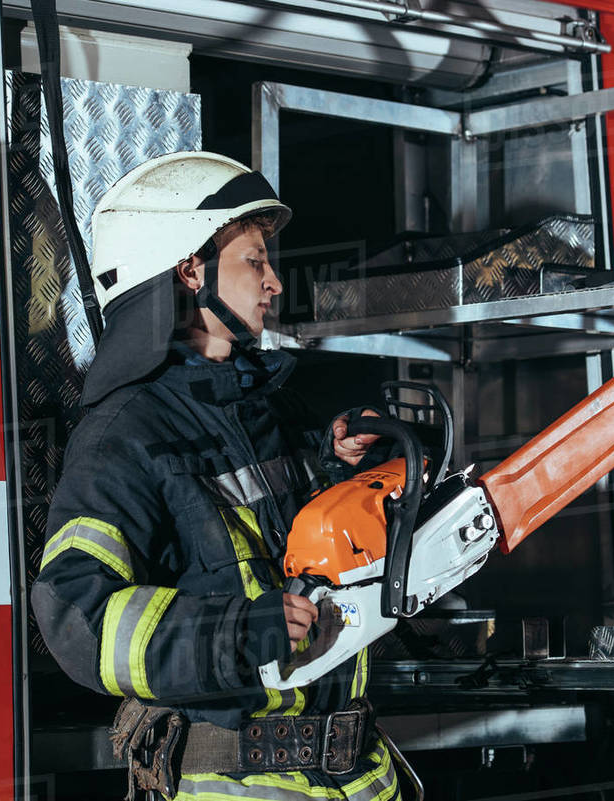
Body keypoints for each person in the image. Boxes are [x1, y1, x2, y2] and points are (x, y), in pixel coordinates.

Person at [31, 151, 401, 801]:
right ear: (190, 270)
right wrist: (230, 632)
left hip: (356, 774)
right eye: (253, 260)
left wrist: (330, 460)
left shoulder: (267, 410)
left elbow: (279, 547)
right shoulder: (123, 434)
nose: (273, 283)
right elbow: (73, 612)